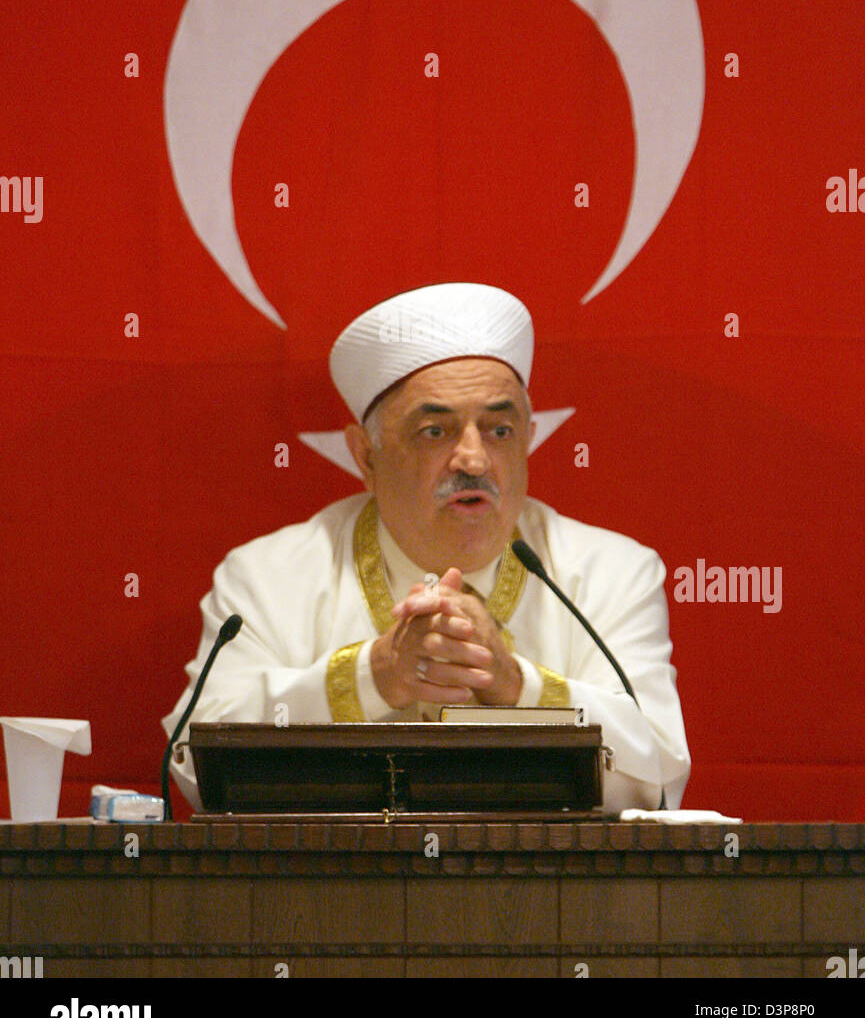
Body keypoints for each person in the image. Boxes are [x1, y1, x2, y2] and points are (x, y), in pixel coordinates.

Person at [162, 283, 690, 812]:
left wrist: (514, 684)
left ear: (529, 438)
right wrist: (375, 673)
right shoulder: (267, 577)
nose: (475, 461)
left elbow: (661, 777)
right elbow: (194, 766)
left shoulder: (613, 573)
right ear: (366, 457)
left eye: (500, 430)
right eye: (435, 431)